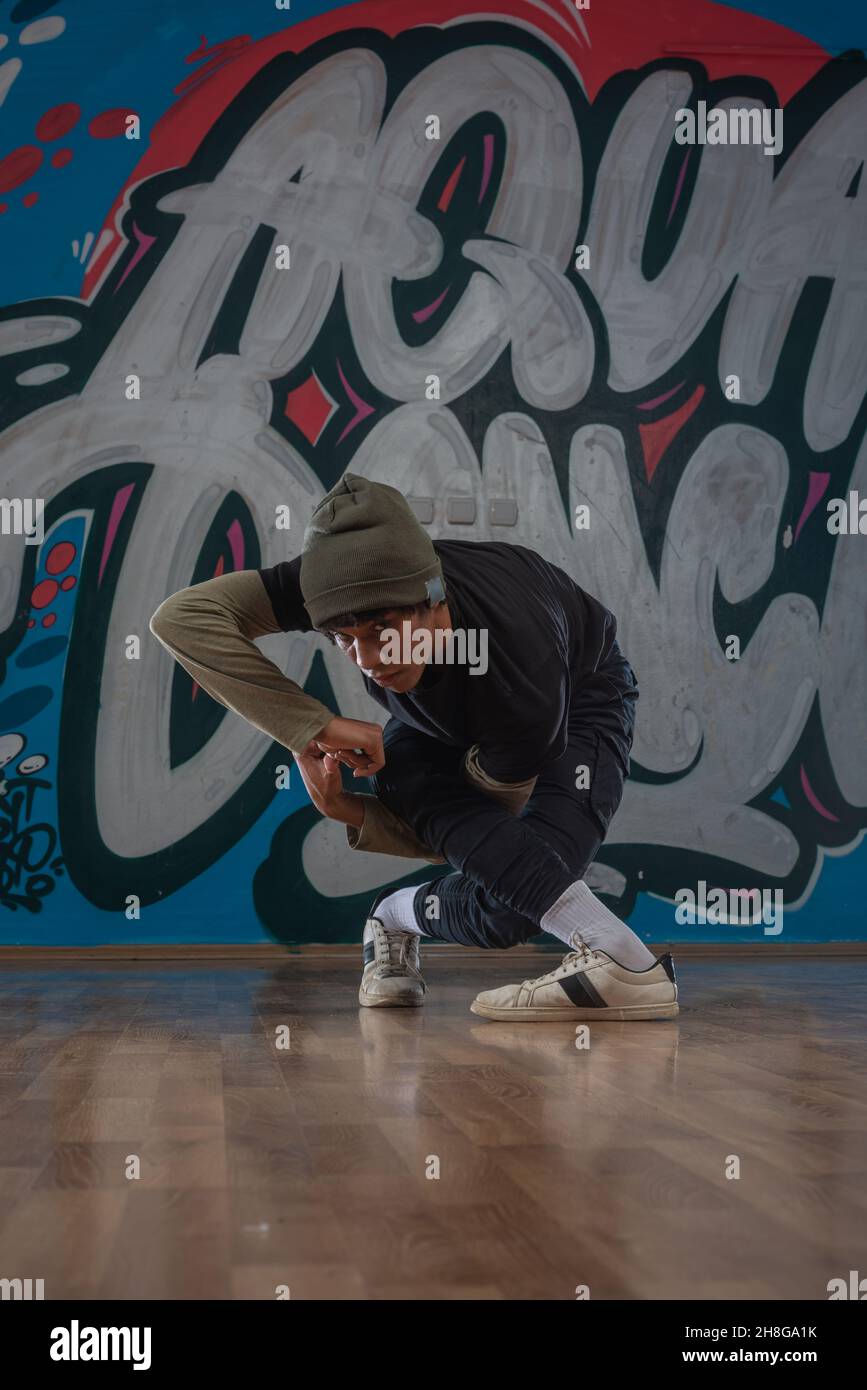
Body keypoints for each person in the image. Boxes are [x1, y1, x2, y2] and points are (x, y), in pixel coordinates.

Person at [149, 472, 678, 1022]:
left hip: (580, 700)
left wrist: (359, 813)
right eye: (343, 639)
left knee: (511, 907)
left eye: (383, 631)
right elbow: (182, 619)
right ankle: (625, 962)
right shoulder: (343, 585)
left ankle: (397, 915)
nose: (367, 659)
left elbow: (489, 833)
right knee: (403, 773)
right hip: (444, 722)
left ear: (434, 598)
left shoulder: (521, 675)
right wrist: (315, 726)